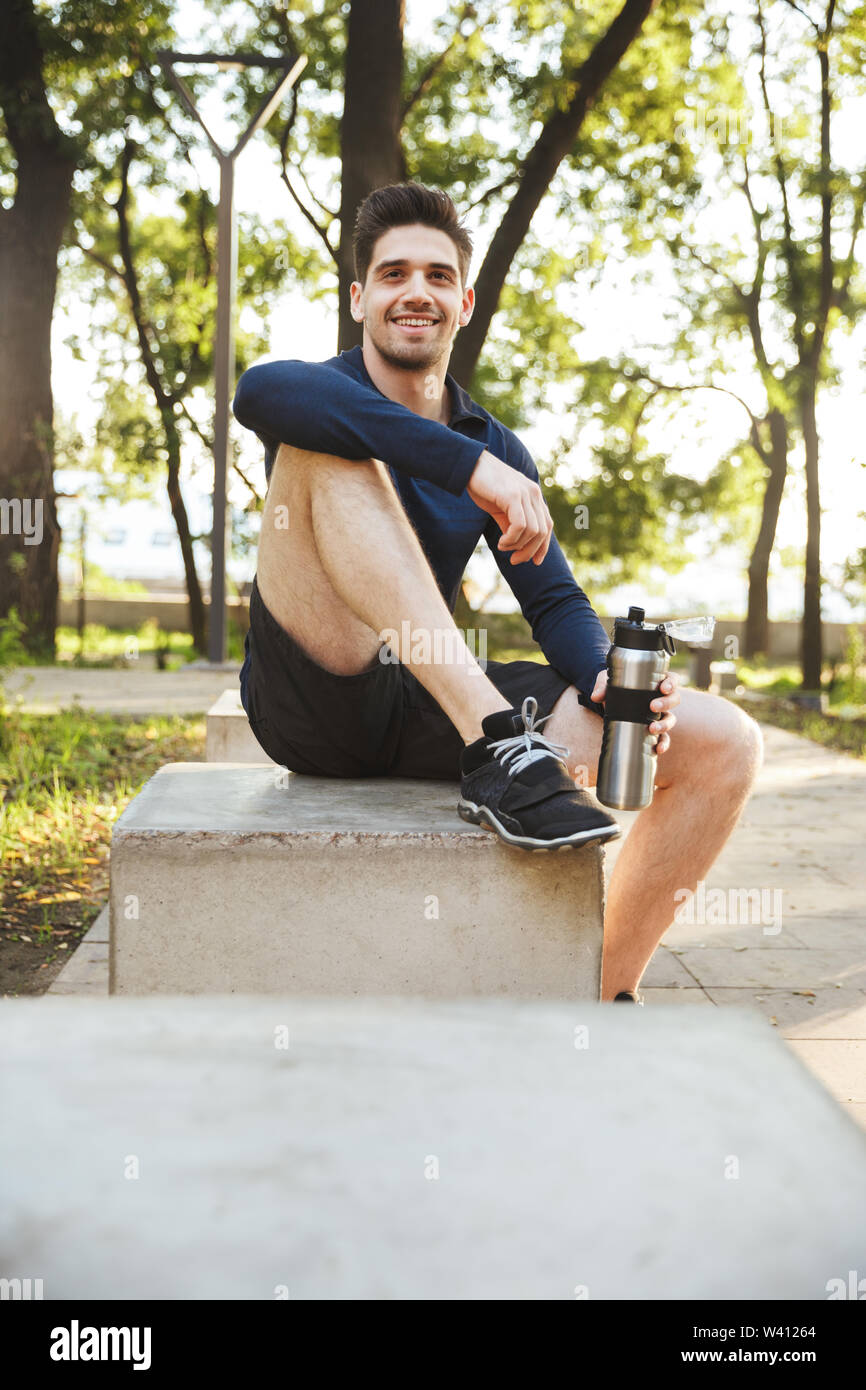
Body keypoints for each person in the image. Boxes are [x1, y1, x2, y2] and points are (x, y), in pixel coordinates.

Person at [232, 182, 763, 1002]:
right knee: (328, 443)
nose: (417, 291)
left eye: (439, 277)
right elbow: (256, 391)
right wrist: (463, 467)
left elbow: (553, 600)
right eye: (394, 273)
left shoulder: (497, 440)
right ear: (360, 298)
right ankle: (495, 743)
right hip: (315, 692)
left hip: (426, 699)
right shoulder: (318, 394)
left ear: (464, 302)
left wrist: (600, 678)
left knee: (724, 737)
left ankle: (602, 996)